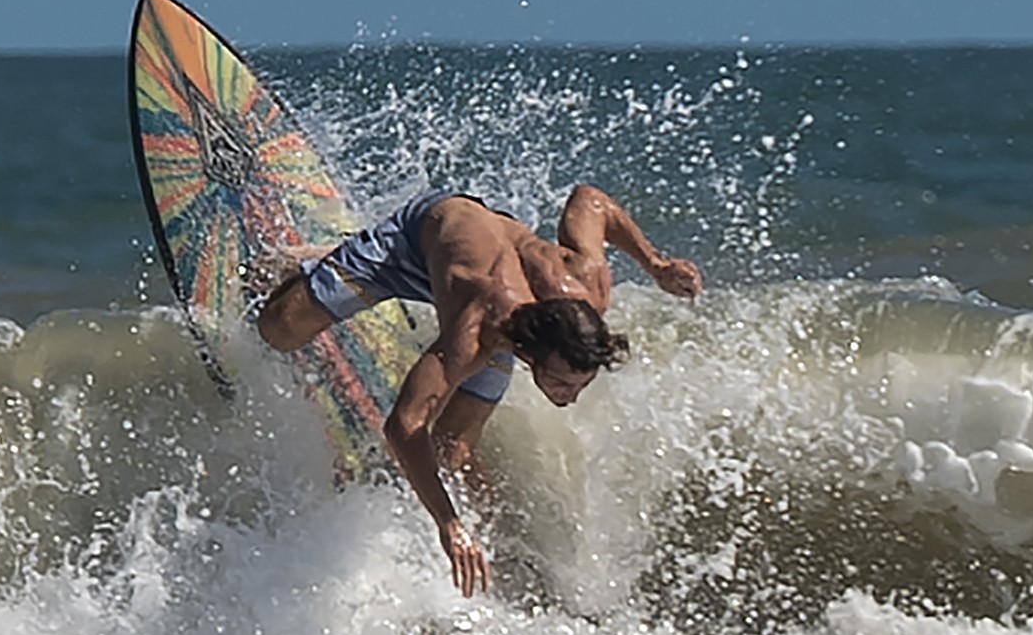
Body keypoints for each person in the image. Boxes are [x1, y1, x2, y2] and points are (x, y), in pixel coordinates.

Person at [256, 185, 704, 596]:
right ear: (533, 352)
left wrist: (656, 265)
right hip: (416, 243)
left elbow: (590, 202)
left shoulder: (586, 287)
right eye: (564, 382)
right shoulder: (474, 335)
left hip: (495, 271)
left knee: (453, 450)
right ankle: (324, 260)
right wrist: (447, 522)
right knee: (277, 329)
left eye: (579, 384)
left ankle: (497, 561)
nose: (571, 396)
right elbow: (403, 426)